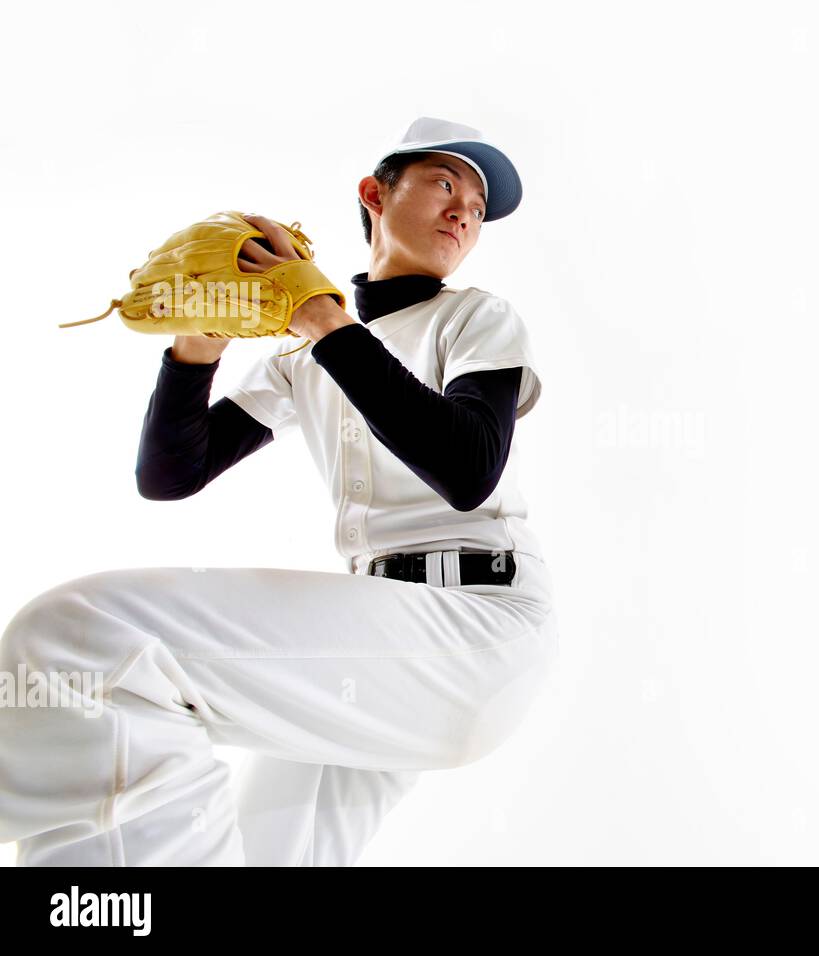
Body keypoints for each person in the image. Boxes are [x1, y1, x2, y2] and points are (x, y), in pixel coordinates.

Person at [0, 117, 558, 866]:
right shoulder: (308, 356)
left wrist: (323, 317)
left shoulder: (474, 316)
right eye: (446, 183)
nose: (465, 212)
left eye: (479, 209)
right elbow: (171, 475)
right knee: (274, 856)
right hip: (375, 650)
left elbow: (467, 471)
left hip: (476, 629)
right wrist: (199, 343)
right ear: (375, 194)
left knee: (83, 635)